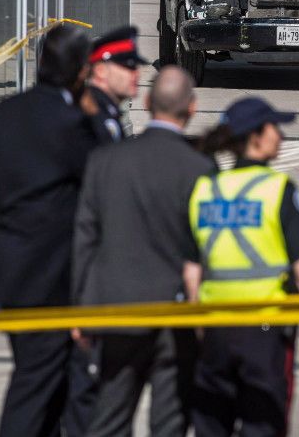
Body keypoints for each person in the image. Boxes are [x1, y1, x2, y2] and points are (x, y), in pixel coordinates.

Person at [72, 66, 213, 437]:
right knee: (169, 422)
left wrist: (81, 308)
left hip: (118, 308)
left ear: (147, 103)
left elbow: (85, 237)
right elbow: (207, 247)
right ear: (193, 108)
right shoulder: (201, 169)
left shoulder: (106, 161)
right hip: (176, 313)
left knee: (110, 417)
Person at [0, 24, 99, 437]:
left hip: (11, 274)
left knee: (50, 382)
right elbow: (95, 187)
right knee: (35, 385)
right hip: (51, 282)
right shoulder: (71, 123)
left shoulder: (6, 112)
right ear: (82, 72)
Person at [186, 97, 299, 436]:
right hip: (263, 335)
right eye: (274, 128)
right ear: (256, 136)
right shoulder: (278, 191)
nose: (280, 136)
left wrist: (200, 333)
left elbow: (192, 274)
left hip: (215, 332)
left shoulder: (205, 190)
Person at [85, 26, 147, 144]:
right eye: (128, 66)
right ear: (100, 71)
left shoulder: (106, 111)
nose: (136, 73)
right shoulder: (93, 120)